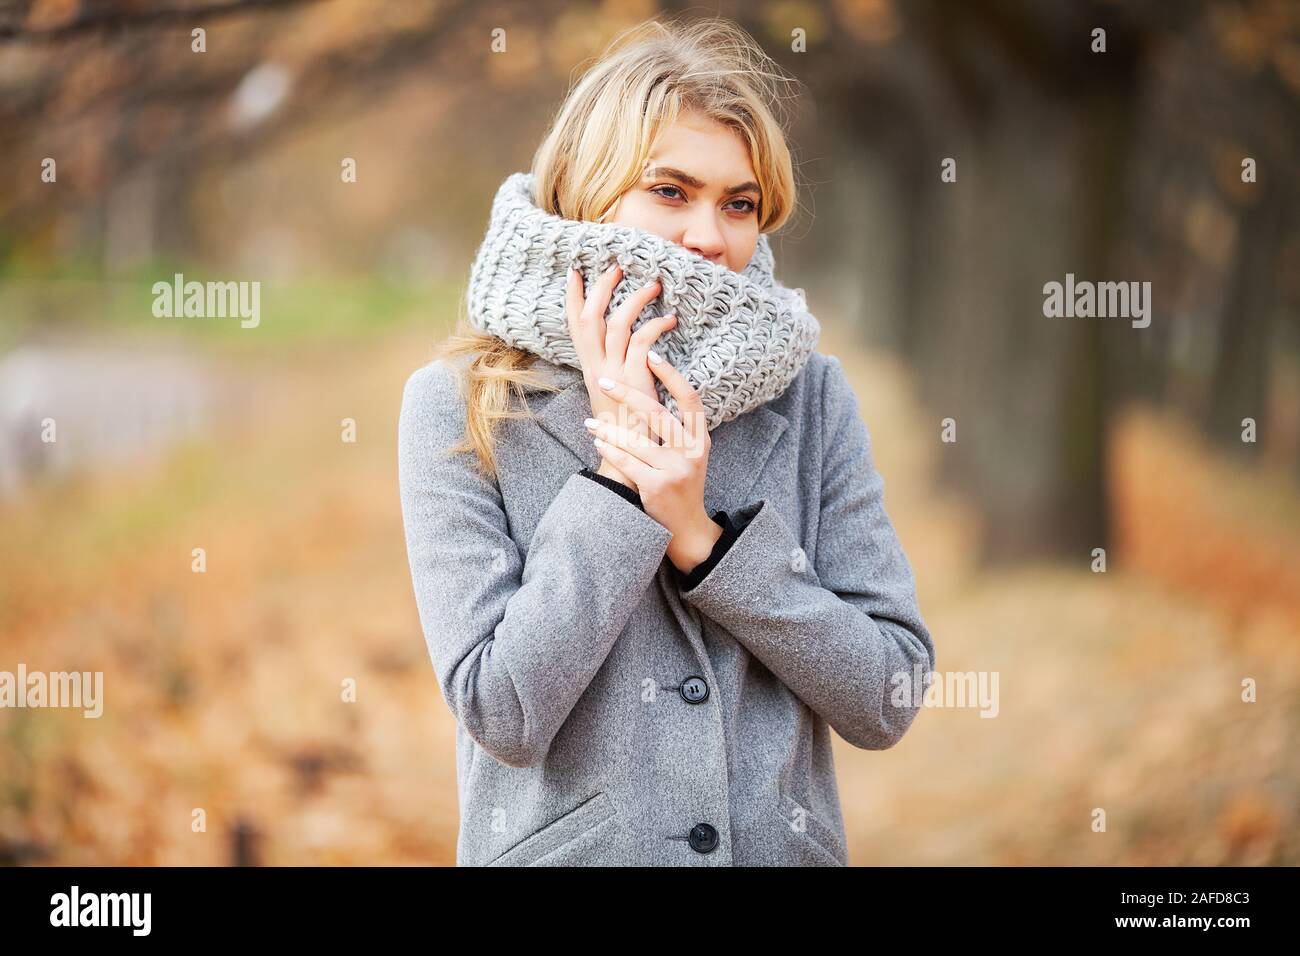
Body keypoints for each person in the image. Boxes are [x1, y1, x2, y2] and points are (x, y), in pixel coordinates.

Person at [397, 15, 933, 866]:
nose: (708, 238)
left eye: (739, 203)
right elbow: (501, 711)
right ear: (586, 191)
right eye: (671, 191)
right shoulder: (462, 408)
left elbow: (887, 694)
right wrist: (619, 482)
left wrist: (704, 542)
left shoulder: (811, 395)